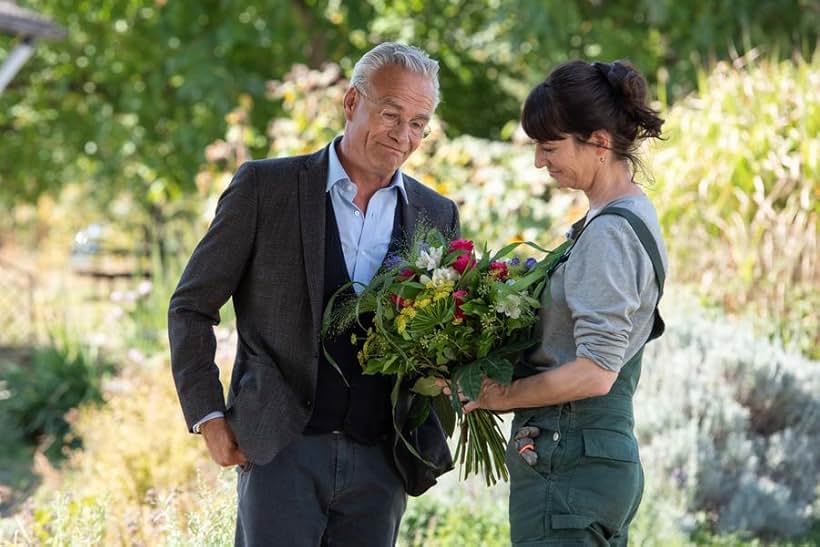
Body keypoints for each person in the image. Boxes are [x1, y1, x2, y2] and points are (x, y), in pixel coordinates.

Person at [168, 42, 459, 547]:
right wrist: (209, 417)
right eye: (391, 114)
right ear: (351, 103)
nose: (403, 135)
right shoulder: (265, 188)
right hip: (281, 449)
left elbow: (444, 334)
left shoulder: (437, 214)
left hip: (381, 461)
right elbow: (191, 305)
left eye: (418, 123)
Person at [464, 60, 668, 546]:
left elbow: (596, 371)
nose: (539, 160)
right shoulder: (620, 218)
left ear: (598, 142)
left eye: (550, 146)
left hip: (567, 458)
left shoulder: (611, 232)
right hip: (587, 459)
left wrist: (501, 397)